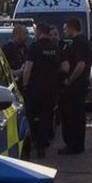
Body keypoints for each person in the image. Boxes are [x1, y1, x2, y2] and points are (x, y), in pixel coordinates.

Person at [22, 24, 62, 158]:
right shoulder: (55, 48)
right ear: (48, 32)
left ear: (39, 32)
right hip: (50, 89)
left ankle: (32, 140)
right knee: (46, 117)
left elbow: (28, 68)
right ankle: (41, 145)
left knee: (30, 115)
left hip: (34, 88)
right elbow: (65, 67)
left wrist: (25, 84)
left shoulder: (34, 47)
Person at [59, 18, 92, 154]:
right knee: (78, 116)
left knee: (72, 117)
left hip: (75, 87)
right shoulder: (84, 42)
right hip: (81, 85)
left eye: (66, 28)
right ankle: (77, 145)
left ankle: (73, 145)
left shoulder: (78, 43)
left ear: (72, 28)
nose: (64, 31)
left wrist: (70, 80)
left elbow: (80, 65)